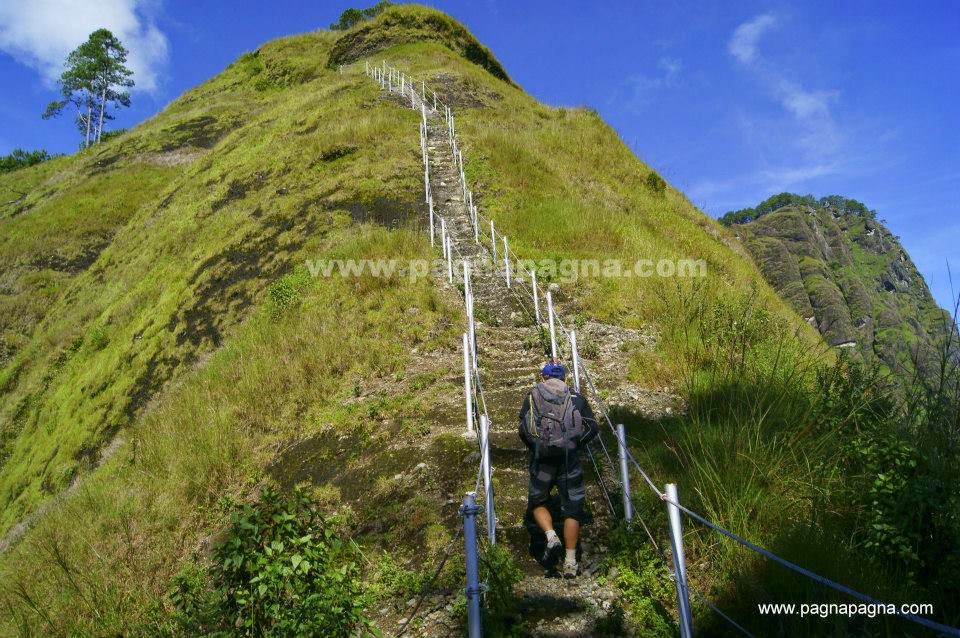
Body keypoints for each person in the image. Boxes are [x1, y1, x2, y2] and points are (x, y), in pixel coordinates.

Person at [518, 360, 598, 578]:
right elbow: (592, 426)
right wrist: (574, 444)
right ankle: (571, 562)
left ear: (543, 377)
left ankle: (551, 535)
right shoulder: (576, 398)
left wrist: (537, 447)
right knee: (573, 508)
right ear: (565, 378)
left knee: (537, 500)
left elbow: (523, 429)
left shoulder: (532, 396)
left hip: (543, 460)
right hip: (569, 460)